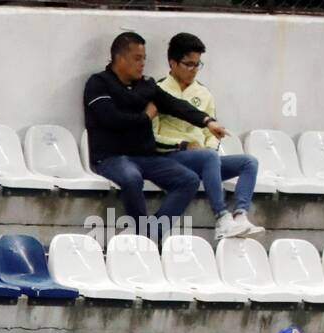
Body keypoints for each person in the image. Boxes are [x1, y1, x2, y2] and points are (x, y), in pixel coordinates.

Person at [84, 31, 231, 243]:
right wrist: (145, 116)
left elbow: (175, 105)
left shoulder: (146, 86)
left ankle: (151, 235)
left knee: (188, 180)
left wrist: (208, 121)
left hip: (146, 157)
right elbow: (112, 120)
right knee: (131, 177)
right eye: (137, 58)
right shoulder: (98, 84)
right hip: (111, 157)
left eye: (144, 58)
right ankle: (143, 235)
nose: (142, 63)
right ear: (119, 58)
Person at [153, 32, 263, 239]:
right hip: (172, 156)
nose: (194, 70)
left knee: (249, 162)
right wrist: (184, 145)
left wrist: (209, 148)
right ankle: (222, 217)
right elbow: (152, 136)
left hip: (203, 158)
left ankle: (240, 215)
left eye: (198, 65)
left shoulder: (204, 93)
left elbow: (210, 133)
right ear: (172, 63)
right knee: (209, 158)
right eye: (189, 64)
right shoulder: (158, 91)